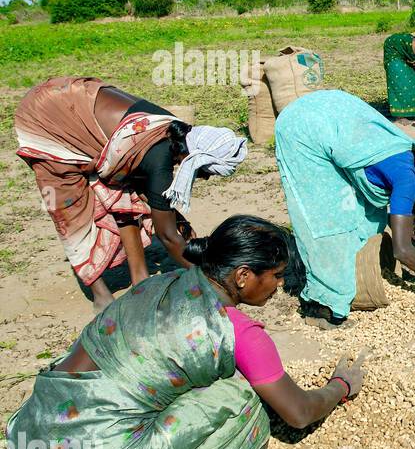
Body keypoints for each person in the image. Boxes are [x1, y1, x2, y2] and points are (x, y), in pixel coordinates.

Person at [3, 215, 367, 449]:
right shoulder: (239, 333)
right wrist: (340, 386)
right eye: (275, 276)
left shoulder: (155, 286)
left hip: (34, 437)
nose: (279, 286)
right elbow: (299, 413)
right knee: (244, 398)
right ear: (243, 276)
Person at [14, 76, 248, 310]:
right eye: (206, 172)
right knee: (70, 210)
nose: (205, 178)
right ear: (193, 159)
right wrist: (211, 282)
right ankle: (100, 294)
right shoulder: (158, 159)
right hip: (49, 114)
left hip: (72, 97)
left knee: (126, 193)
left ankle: (140, 278)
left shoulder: (173, 130)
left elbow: (151, 197)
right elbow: (168, 237)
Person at [274, 89, 415, 327]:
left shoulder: (414, 158)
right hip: (305, 129)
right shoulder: (406, 176)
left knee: (368, 215)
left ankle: (357, 279)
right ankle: (320, 307)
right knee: (329, 220)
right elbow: (402, 250)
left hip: (331, 114)